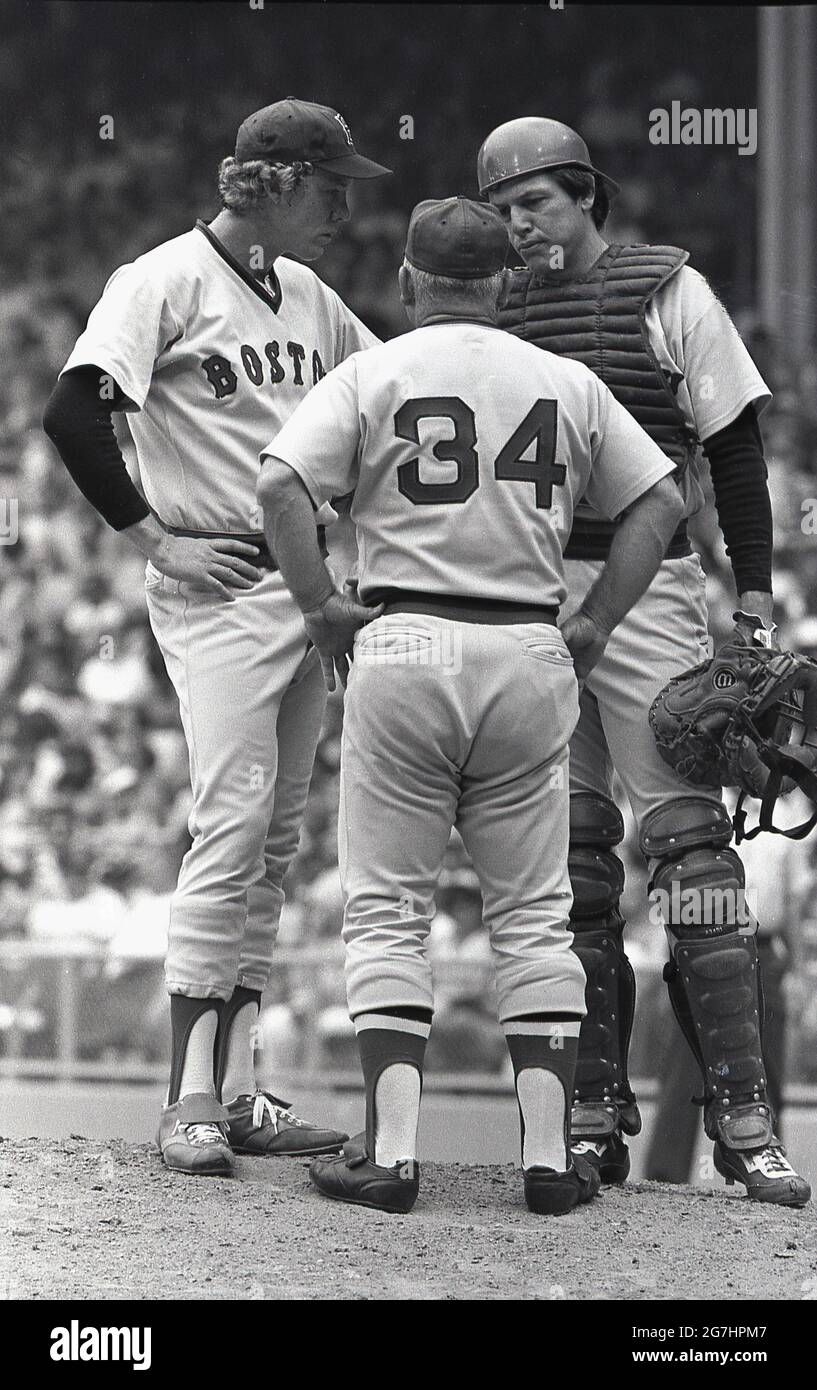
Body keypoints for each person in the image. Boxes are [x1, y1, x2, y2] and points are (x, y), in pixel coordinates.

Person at [256, 196, 684, 1215]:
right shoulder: (565, 380)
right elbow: (661, 501)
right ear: (504, 285)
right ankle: (547, 1160)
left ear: (408, 282)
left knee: (387, 908)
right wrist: (596, 624)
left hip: (403, 635)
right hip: (528, 644)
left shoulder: (372, 371)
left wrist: (320, 607)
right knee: (534, 914)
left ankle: (391, 1154)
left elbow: (278, 489)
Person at [43, 98, 390, 1176]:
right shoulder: (162, 281)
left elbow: (393, 393)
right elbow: (73, 411)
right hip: (217, 568)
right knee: (232, 826)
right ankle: (189, 1096)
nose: (345, 206)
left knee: (277, 844)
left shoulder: (315, 298)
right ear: (276, 181)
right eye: (332, 185)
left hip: (298, 578)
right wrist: (153, 538)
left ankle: (235, 1088)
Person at [476, 115, 810, 1205]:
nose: (518, 222)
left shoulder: (669, 290)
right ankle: (587, 1108)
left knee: (692, 851)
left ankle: (747, 1120)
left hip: (645, 583)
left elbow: (733, 448)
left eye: (534, 201)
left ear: (583, 195)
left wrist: (751, 599)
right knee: (570, 862)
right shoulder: (491, 304)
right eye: (504, 206)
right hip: (526, 592)